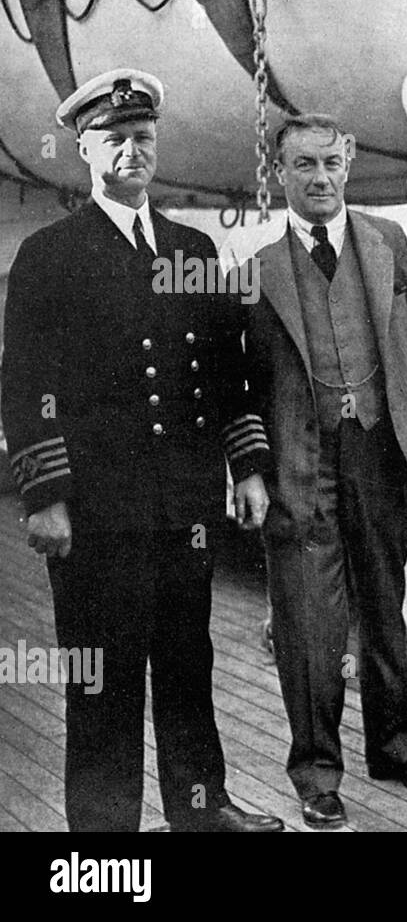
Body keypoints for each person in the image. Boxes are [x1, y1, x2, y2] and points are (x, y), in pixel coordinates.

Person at [0, 69, 283, 831]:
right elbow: (24, 387)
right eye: (115, 139)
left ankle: (202, 809)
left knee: (189, 666)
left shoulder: (192, 249)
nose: (132, 151)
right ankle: (103, 838)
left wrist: (248, 466)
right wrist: (46, 498)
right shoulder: (50, 257)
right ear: (85, 149)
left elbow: (227, 370)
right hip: (95, 515)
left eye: (143, 138)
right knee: (101, 682)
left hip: (184, 505)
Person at [236, 113, 407, 829]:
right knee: (310, 629)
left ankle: (395, 749)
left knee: (385, 610)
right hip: (302, 464)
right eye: (304, 165)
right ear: (281, 172)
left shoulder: (389, 243)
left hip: (379, 453)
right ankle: (317, 773)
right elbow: (239, 386)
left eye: (331, 162)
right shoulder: (256, 271)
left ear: (349, 162)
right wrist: (254, 470)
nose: (320, 178)